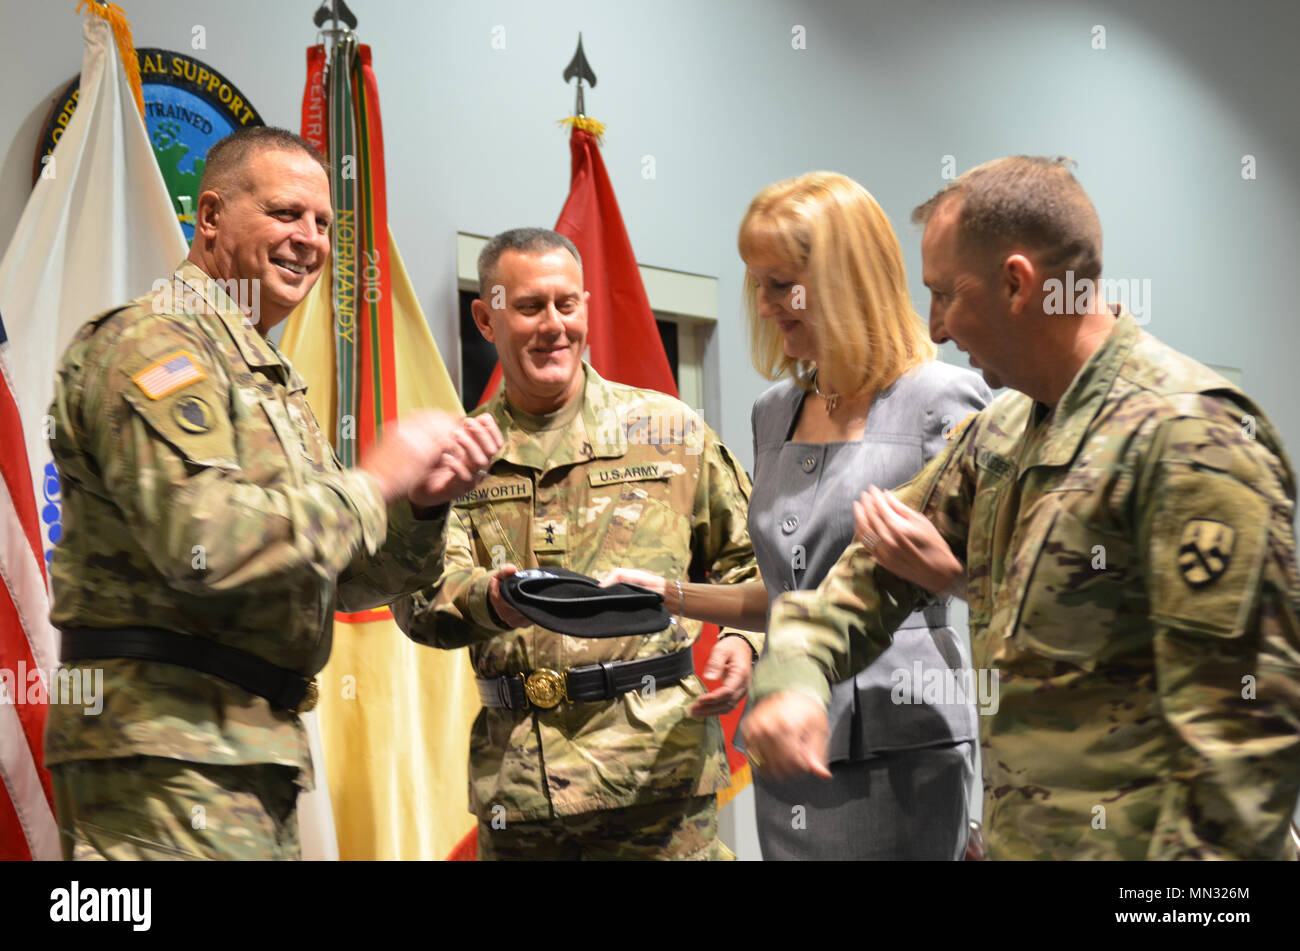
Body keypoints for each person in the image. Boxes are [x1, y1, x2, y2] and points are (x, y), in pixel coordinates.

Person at [742, 155, 1300, 860]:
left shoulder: (1190, 439)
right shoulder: (1002, 434)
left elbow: (1240, 751)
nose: (936, 327)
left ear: (1017, 283)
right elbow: (856, 584)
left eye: (945, 295)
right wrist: (794, 677)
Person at [44, 127, 503, 860]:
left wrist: (418, 505)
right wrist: (374, 477)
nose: (310, 239)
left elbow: (338, 578)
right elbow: (207, 547)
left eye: (323, 223)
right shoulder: (154, 343)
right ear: (213, 217)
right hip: (162, 756)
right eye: (287, 214)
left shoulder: (262, 377)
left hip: (249, 752)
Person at [605, 172, 991, 859]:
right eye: (758, 282)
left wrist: (950, 571)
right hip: (788, 735)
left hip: (901, 749)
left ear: (845, 281)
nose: (766, 303)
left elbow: (1000, 572)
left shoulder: (940, 400)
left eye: (783, 284)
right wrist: (671, 594)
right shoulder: (773, 411)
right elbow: (791, 598)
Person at [392, 227, 760, 860]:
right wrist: (494, 600)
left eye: (568, 304)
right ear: (487, 317)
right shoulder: (459, 455)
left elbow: (752, 563)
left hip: (656, 782)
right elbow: (421, 605)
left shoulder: (668, 431)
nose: (553, 327)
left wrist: (741, 641)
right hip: (522, 794)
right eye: (530, 307)